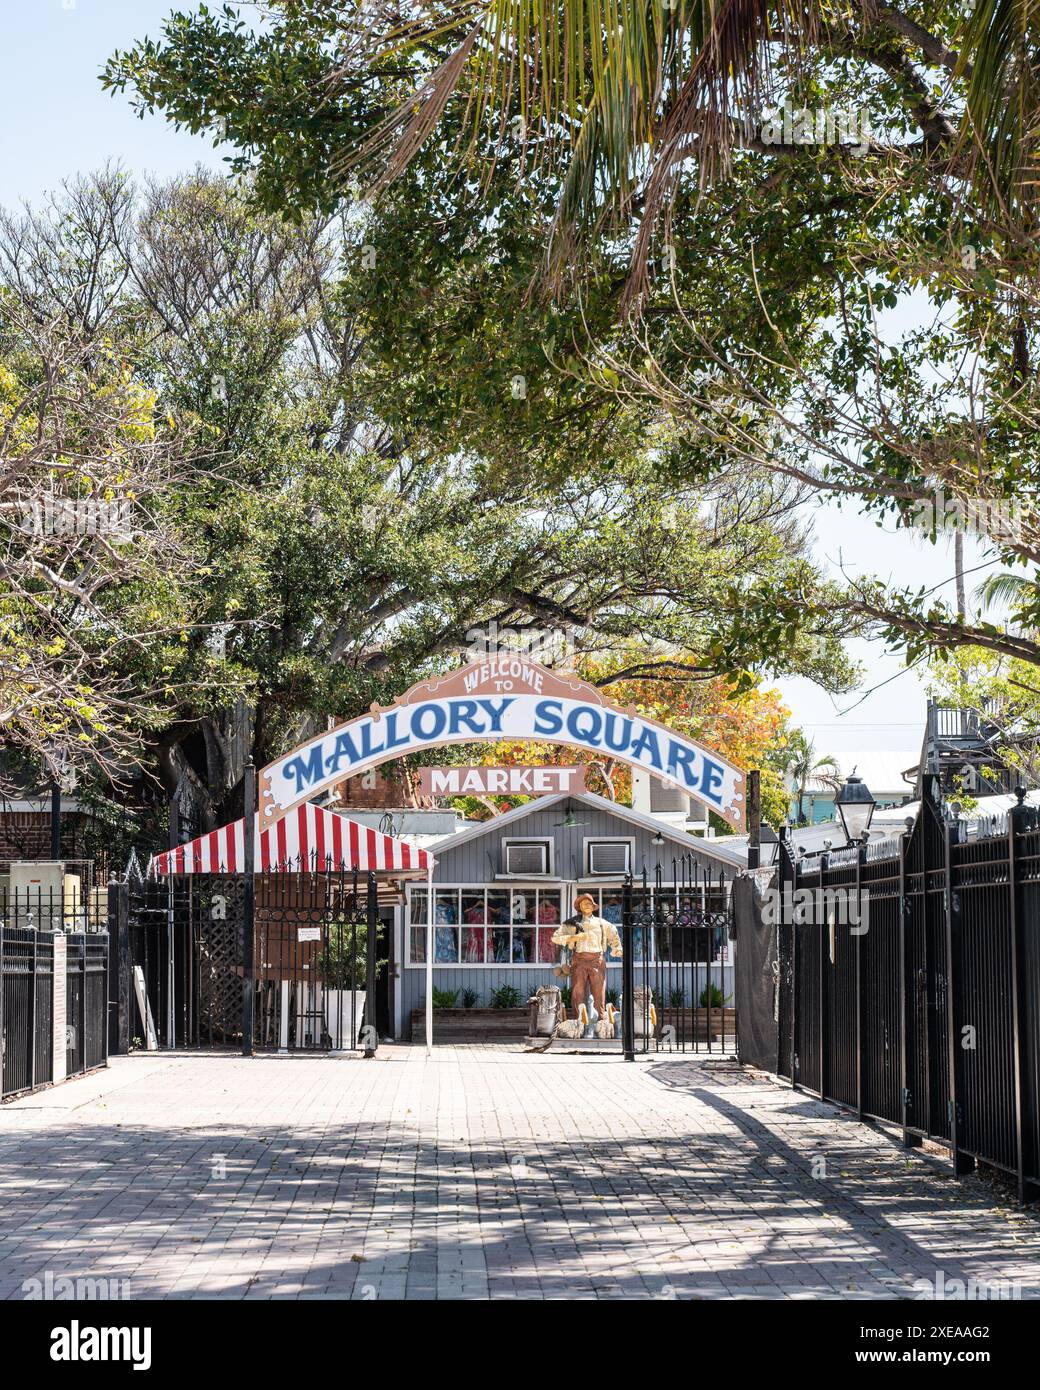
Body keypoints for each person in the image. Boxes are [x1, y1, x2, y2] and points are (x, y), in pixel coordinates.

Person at [551, 892, 622, 1018]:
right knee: (578, 992)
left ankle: (599, 1020)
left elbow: (613, 934)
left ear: (593, 906)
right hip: (579, 960)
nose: (587, 905)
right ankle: (580, 1020)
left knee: (599, 991)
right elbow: (556, 938)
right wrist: (574, 937)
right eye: (584, 904)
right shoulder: (572, 923)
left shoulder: (602, 923)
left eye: (589, 903)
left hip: (597, 960)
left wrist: (617, 948)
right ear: (580, 907)